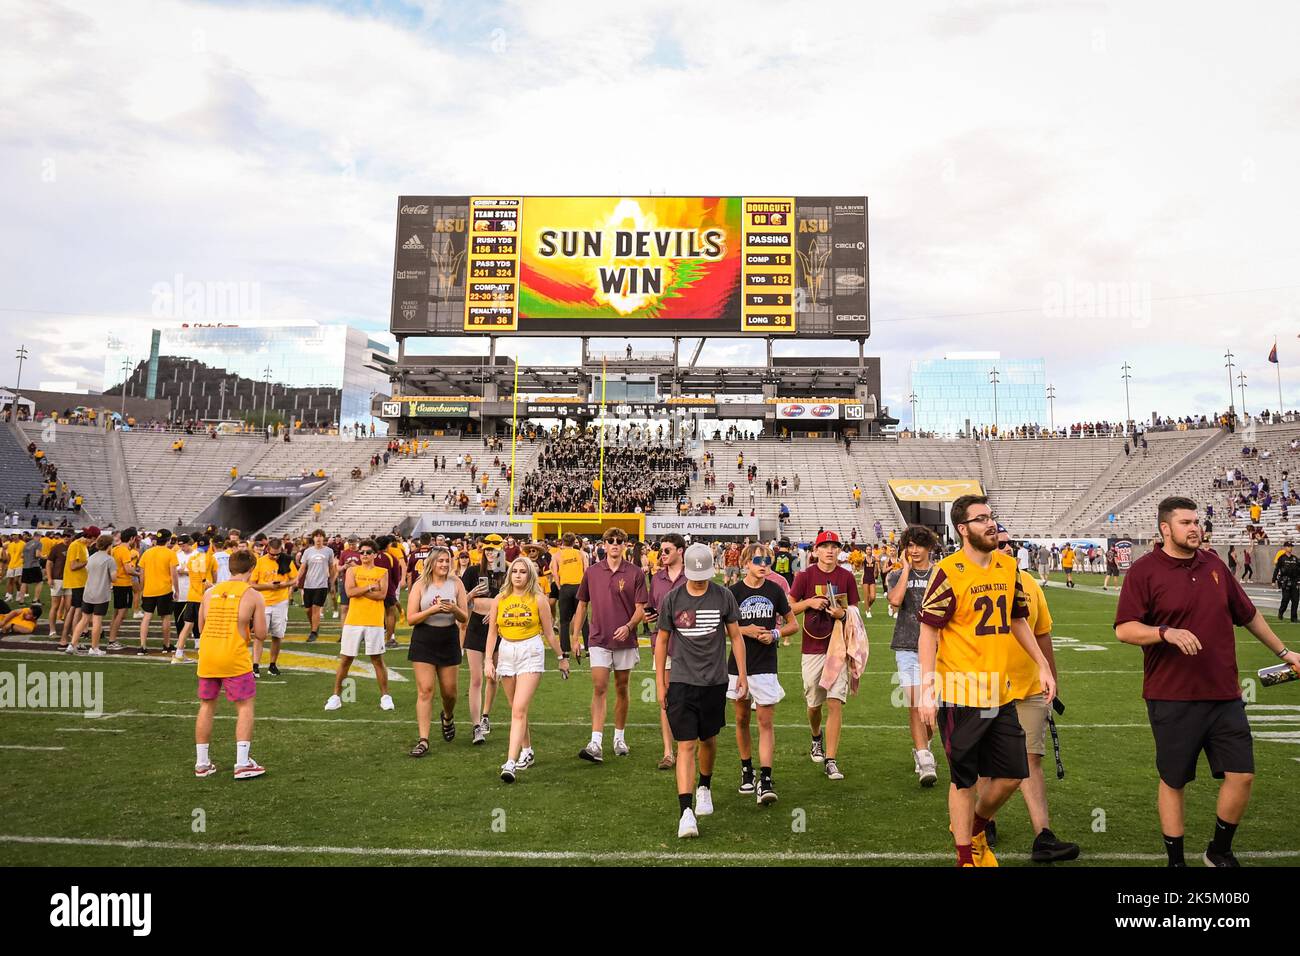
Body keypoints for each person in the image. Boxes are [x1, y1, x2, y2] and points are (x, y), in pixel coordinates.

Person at [1116, 496, 1300, 867]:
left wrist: (1286, 653)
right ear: (1165, 529)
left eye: (1196, 521)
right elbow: (1125, 629)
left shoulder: (1215, 564)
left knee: (1243, 775)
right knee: (1174, 780)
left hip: (1224, 694)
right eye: (1185, 522)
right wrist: (1164, 632)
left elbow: (1248, 615)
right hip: (1172, 695)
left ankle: (1219, 850)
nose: (1195, 527)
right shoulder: (1145, 571)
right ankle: (1176, 861)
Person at [917, 495, 1057, 867]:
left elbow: (1017, 620)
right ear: (962, 529)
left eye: (991, 517)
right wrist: (927, 690)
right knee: (964, 781)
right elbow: (928, 633)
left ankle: (975, 827)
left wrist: (1042, 664)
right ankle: (966, 856)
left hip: (1002, 692)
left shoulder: (1008, 567)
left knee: (1013, 775)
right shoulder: (949, 570)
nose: (990, 523)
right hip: (960, 694)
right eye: (981, 519)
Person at [987, 524, 1080, 863]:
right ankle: (985, 821)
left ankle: (1043, 835)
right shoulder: (968, 580)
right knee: (987, 763)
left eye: (1009, 543)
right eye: (999, 543)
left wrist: (1051, 678)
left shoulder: (1027, 584)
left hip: (1028, 686)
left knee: (1030, 760)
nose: (1006, 548)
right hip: (983, 687)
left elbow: (1042, 635)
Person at [656, 543, 747, 838]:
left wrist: (741, 673)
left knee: (708, 739)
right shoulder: (673, 598)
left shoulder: (724, 595)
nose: (698, 580)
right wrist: (660, 682)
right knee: (686, 745)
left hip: (715, 681)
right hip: (682, 681)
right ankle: (685, 812)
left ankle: (704, 786)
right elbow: (661, 641)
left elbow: (736, 636)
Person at [485, 556, 569, 781]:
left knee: (519, 709)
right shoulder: (500, 599)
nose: (518, 575)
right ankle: (527, 750)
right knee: (516, 708)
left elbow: (549, 632)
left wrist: (561, 656)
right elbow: (492, 632)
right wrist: (487, 661)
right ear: (510, 574)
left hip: (530, 651)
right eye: (515, 571)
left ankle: (510, 763)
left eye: (523, 572)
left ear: (530, 575)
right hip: (506, 652)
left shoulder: (538, 599)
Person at [728, 543, 795, 804]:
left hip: (766, 664)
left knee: (765, 722)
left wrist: (774, 633)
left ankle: (765, 778)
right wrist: (747, 630)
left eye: (768, 560)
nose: (764, 565)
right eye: (758, 560)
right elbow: (724, 628)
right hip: (738, 665)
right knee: (742, 718)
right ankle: (747, 770)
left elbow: (792, 625)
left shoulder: (775, 590)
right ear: (746, 563)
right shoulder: (732, 592)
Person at [572, 528, 647, 762]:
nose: (615, 544)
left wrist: (629, 626)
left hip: (625, 640)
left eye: (619, 541)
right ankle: (595, 741)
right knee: (599, 687)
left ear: (625, 545)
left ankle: (619, 736)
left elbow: (641, 608)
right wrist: (575, 637)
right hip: (598, 638)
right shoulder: (592, 572)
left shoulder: (635, 572)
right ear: (603, 544)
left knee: (622, 687)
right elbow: (582, 604)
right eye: (610, 541)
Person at [789, 530, 858, 781]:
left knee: (835, 702)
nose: (830, 550)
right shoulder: (805, 575)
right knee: (813, 703)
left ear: (839, 550)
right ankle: (816, 735)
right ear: (815, 550)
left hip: (838, 645)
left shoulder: (846, 576)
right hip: (812, 647)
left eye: (834, 546)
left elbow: (855, 613)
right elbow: (789, 607)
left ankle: (831, 759)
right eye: (824, 546)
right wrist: (809, 603)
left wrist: (842, 614)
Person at [194, 548, 268, 779]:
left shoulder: (210, 592)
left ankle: (202, 763)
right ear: (252, 569)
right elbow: (262, 634)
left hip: (208, 654)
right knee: (244, 707)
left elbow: (201, 626)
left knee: (206, 706)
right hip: (234, 656)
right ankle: (242, 762)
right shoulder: (253, 595)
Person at [885, 524, 940, 787]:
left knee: (934, 710)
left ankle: (925, 743)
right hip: (907, 646)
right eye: (910, 545)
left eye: (919, 545)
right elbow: (895, 601)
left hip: (941, 650)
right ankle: (924, 758)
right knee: (916, 704)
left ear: (929, 547)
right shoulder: (897, 575)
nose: (914, 550)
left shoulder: (941, 574)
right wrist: (906, 570)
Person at [405, 546, 469, 756]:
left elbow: (464, 618)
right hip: (424, 639)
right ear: (431, 563)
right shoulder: (420, 585)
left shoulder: (456, 583)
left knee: (449, 692)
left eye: (446, 560)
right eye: (440, 560)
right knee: (425, 690)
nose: (444, 564)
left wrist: (454, 609)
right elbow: (411, 618)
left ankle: (448, 716)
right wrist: (432, 609)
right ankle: (423, 740)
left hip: (448, 638)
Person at [324, 540, 395, 712]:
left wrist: (360, 590)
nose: (364, 555)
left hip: (374, 621)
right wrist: (370, 587)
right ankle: (335, 696)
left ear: (375, 554)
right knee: (346, 659)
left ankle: (385, 696)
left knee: (377, 659)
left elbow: (382, 595)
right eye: (362, 552)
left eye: (368, 552)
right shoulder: (352, 570)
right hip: (353, 620)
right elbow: (350, 592)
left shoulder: (383, 571)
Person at [646, 533, 688, 770]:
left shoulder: (691, 576)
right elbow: (653, 609)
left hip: (690, 647)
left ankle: (686, 745)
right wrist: (649, 614)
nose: (662, 554)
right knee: (665, 698)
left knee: (687, 697)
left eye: (667, 550)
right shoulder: (657, 578)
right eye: (661, 550)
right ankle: (668, 752)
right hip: (663, 645)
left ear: (680, 551)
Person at [462, 535, 506, 743]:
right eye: (487, 549)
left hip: (498, 630)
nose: (490, 552)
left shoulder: (506, 573)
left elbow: (515, 599)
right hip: (476, 628)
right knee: (476, 678)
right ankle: (476, 726)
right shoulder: (472, 572)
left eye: (494, 549)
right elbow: (461, 601)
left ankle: (486, 715)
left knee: (492, 676)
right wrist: (470, 595)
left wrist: (498, 613)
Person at [250, 536, 295, 677]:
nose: (275, 557)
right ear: (267, 550)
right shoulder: (260, 562)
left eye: (277, 554)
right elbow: (252, 584)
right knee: (259, 635)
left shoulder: (286, 560)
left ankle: (272, 665)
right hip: (263, 603)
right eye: (272, 554)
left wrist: (283, 585)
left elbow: (295, 579)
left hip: (281, 602)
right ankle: (255, 666)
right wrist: (268, 586)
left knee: (277, 635)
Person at [68, 535, 115, 655]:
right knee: (97, 620)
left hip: (88, 592)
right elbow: (114, 578)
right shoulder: (109, 559)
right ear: (109, 545)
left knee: (84, 620)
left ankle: (72, 645)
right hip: (101, 594)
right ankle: (94, 648)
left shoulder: (91, 557)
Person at [137, 528, 178, 655]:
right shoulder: (170, 553)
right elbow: (173, 574)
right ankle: (166, 645)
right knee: (165, 617)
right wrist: (176, 590)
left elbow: (141, 574)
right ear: (168, 539)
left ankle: (142, 646)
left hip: (149, 589)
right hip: (164, 589)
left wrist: (142, 589)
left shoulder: (147, 553)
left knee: (146, 617)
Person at [298, 529, 338, 644]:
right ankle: (314, 627)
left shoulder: (329, 551)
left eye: (321, 536)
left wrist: (332, 582)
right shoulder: (308, 552)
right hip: (308, 584)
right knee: (307, 609)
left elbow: (331, 567)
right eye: (317, 536)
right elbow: (303, 567)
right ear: (313, 538)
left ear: (323, 538)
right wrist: (297, 578)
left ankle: (314, 632)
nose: (319, 538)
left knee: (316, 608)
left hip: (322, 584)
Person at [554, 532, 587, 662]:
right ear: (575, 542)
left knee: (564, 621)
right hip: (579, 586)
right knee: (583, 618)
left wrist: (559, 587)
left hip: (565, 587)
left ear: (562, 542)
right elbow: (586, 570)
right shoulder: (581, 554)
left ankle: (565, 650)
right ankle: (588, 648)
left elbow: (555, 573)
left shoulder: (557, 555)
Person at [1274, 541, 1300, 622]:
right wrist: (1273, 579)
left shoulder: (1295, 558)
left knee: (1295, 600)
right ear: (1285, 547)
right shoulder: (1281, 558)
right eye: (1288, 546)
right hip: (1285, 581)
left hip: (1295, 582)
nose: (1290, 548)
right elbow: (1276, 569)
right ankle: (1281, 612)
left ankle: (1294, 618)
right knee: (1285, 599)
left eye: (1291, 546)